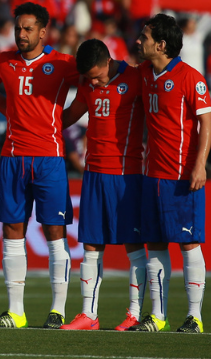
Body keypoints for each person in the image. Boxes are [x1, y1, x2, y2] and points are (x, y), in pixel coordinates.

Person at [0, 2, 79, 329]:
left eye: (27, 29)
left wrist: (65, 120)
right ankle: (16, 312)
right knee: (12, 229)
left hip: (49, 158)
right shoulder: (3, 62)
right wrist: (6, 108)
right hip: (12, 158)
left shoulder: (63, 63)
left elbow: (96, 78)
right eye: (18, 28)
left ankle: (58, 310)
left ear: (42, 32)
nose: (21, 34)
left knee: (55, 231)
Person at [130, 14, 211, 334]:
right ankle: (157, 316)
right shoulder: (144, 74)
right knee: (155, 244)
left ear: (161, 44)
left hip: (181, 176)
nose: (139, 41)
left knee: (188, 243)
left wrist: (200, 164)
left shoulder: (190, 78)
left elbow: (207, 122)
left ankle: (195, 316)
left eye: (145, 36)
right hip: (152, 174)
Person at [60, 40, 147, 332]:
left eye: (96, 75)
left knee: (133, 245)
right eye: (88, 77)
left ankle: (135, 314)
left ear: (108, 61)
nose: (93, 81)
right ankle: (89, 315)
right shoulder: (87, 84)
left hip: (127, 174)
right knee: (91, 245)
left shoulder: (135, 78)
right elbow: (69, 116)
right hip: (94, 172)